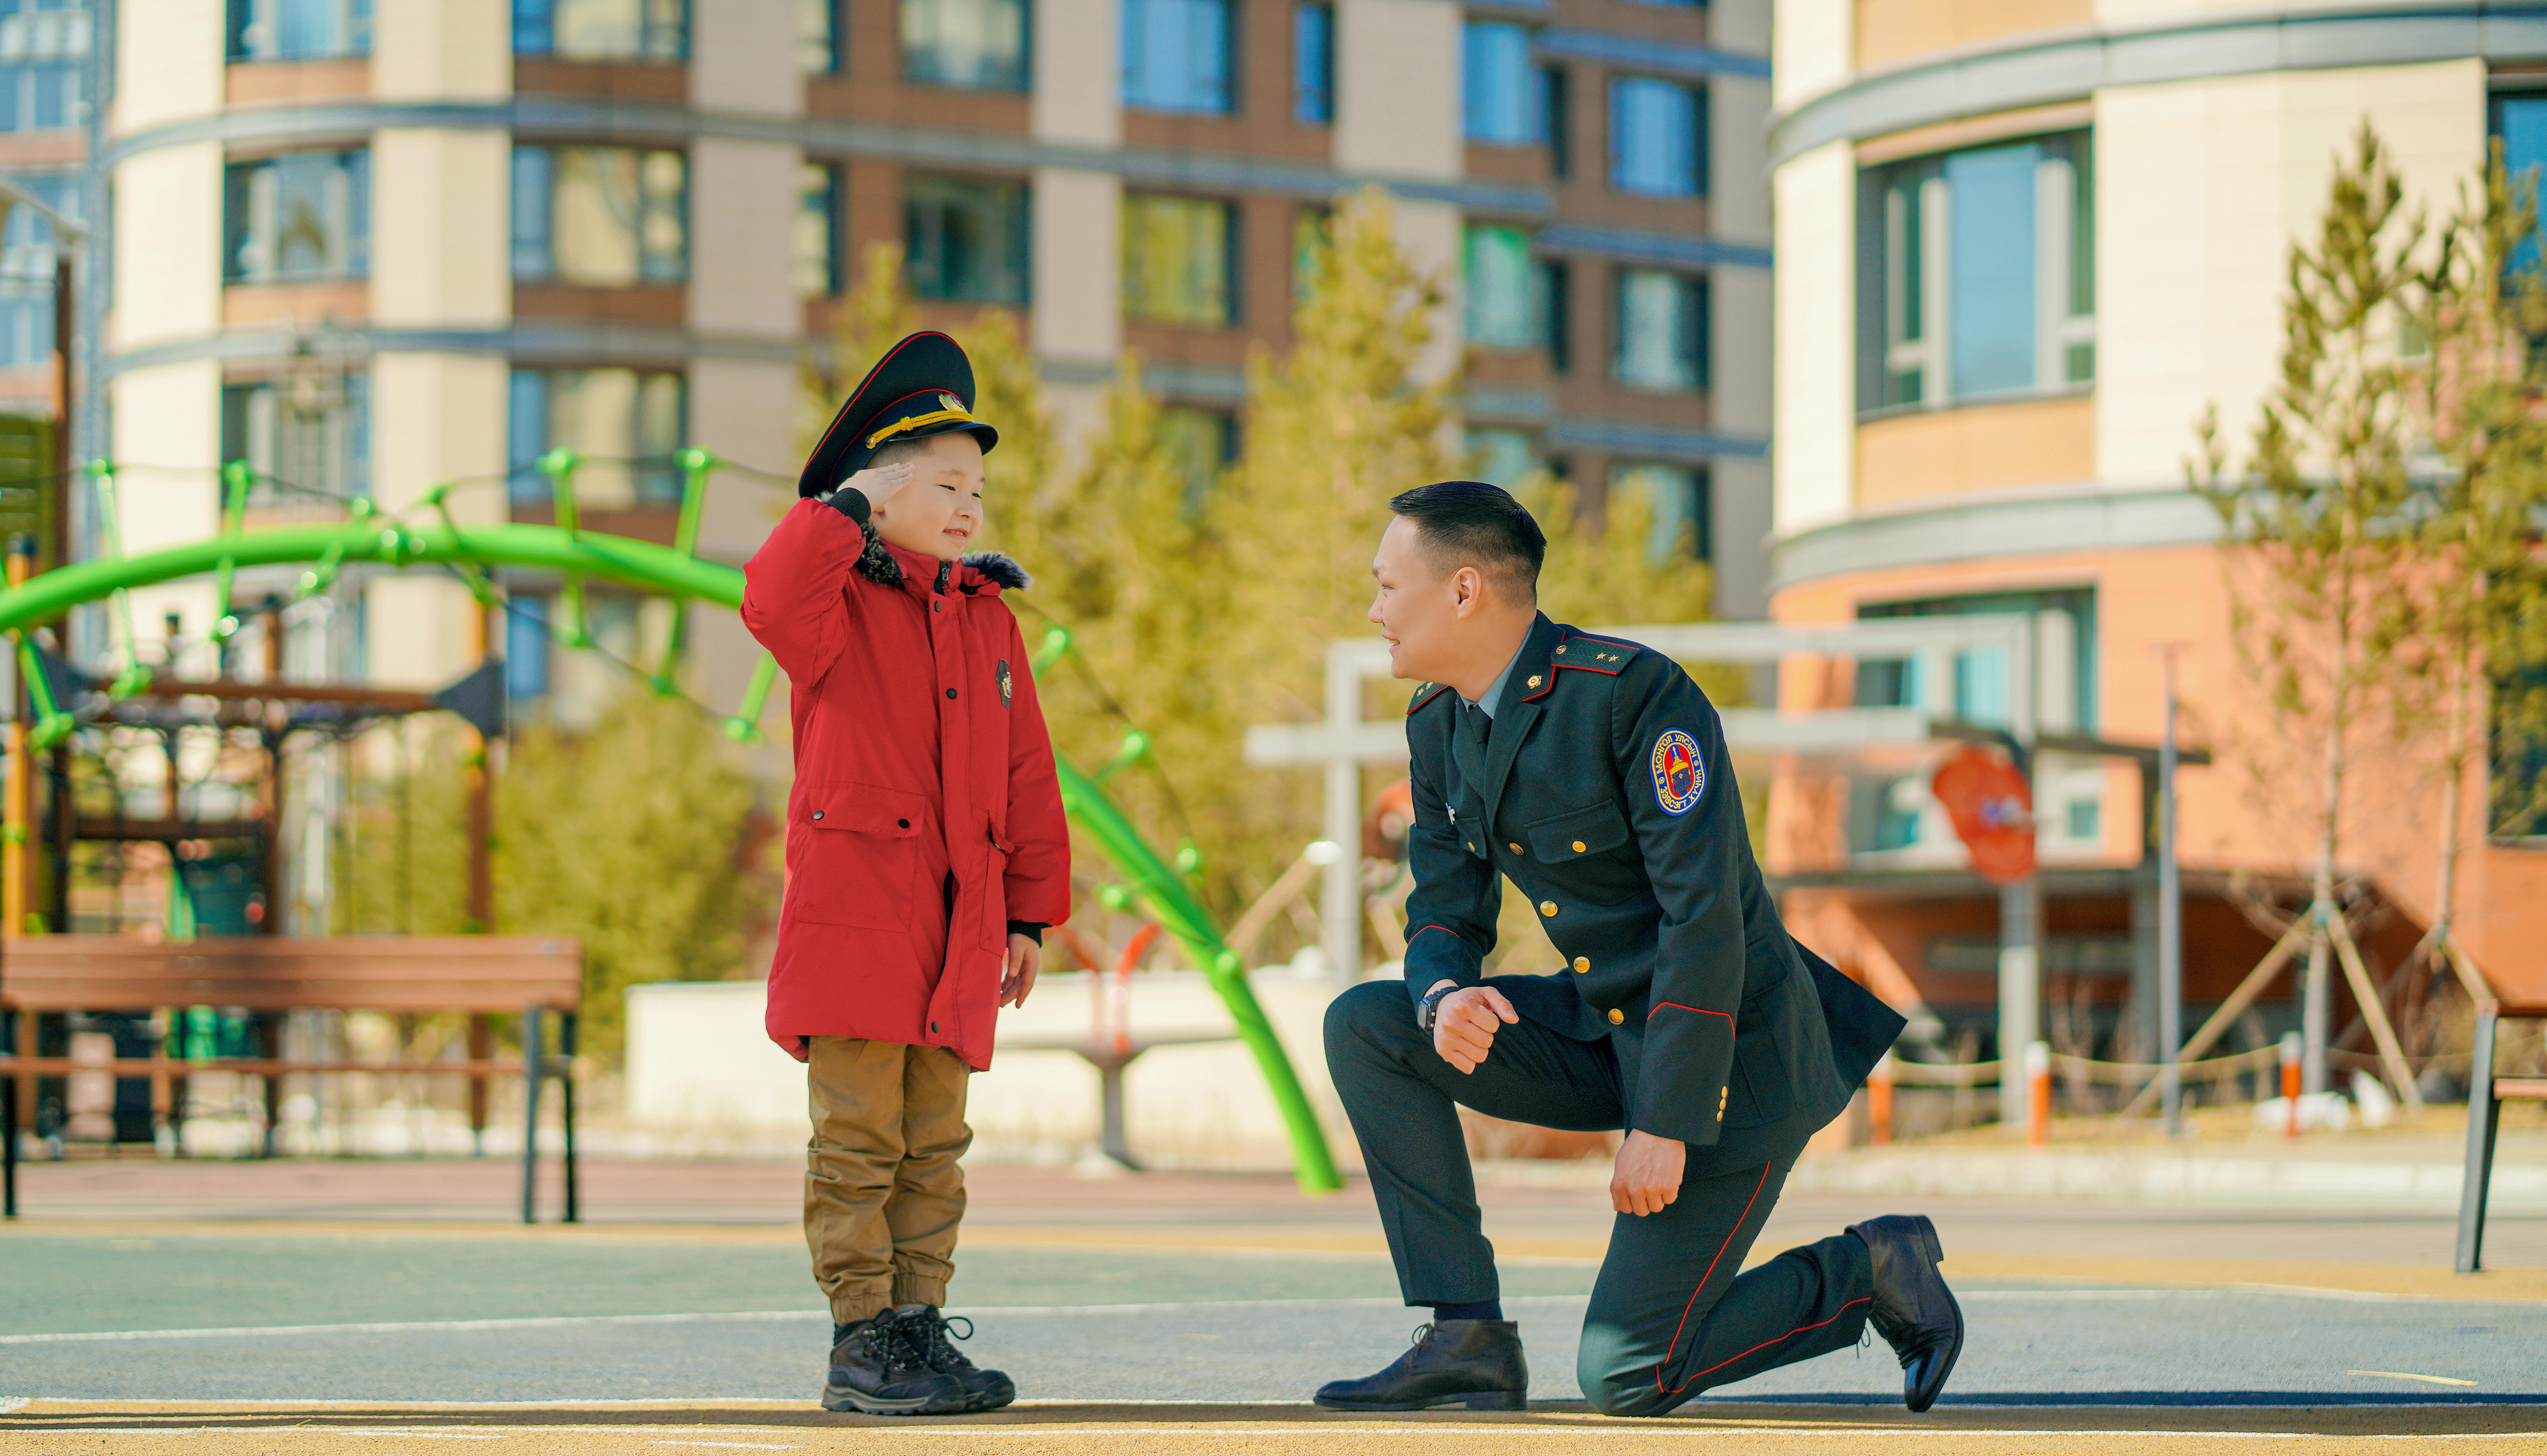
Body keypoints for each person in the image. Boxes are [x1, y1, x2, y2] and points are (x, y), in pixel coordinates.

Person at [1314, 480, 1961, 1418]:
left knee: (1628, 1374)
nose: (1374, 611)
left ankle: (1873, 1270)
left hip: (1732, 1061)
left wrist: (1668, 1123)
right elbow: (1444, 909)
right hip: (1604, 1035)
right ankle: (1467, 1337)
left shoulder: (1632, 696)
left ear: (1464, 592)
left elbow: (1706, 921)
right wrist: (1443, 994)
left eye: (1386, 587)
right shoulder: (1438, 724)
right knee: (1370, 1024)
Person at [742, 330, 1071, 1416]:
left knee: (937, 1142)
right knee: (859, 1140)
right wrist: (842, 510)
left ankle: (918, 1328)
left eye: (978, 486)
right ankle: (860, 1340)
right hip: (856, 920)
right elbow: (771, 596)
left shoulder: (990, 618)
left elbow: (1029, 776)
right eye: (943, 483)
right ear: (879, 492)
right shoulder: (836, 606)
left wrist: (1029, 915)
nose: (971, 504)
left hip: (962, 925)